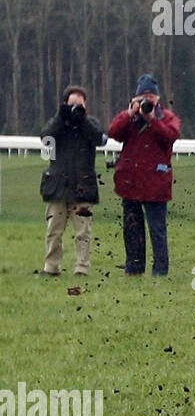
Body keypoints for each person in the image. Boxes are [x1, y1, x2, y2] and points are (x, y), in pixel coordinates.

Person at [107, 74, 181, 277]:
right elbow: (113, 132)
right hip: (130, 182)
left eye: (151, 96)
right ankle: (134, 267)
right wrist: (130, 113)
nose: (147, 101)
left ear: (158, 98)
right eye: (143, 97)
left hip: (156, 183)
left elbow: (170, 136)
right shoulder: (130, 119)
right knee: (132, 228)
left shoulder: (167, 117)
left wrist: (151, 120)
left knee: (157, 230)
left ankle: (160, 270)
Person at [39, 86, 107, 276]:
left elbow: (99, 138)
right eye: (73, 104)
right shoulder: (57, 124)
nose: (77, 108)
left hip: (82, 186)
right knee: (54, 230)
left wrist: (82, 119)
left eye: (80, 104)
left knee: (83, 231)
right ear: (65, 105)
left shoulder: (91, 123)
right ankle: (51, 266)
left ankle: (82, 267)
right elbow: (45, 138)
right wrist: (63, 117)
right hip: (58, 185)